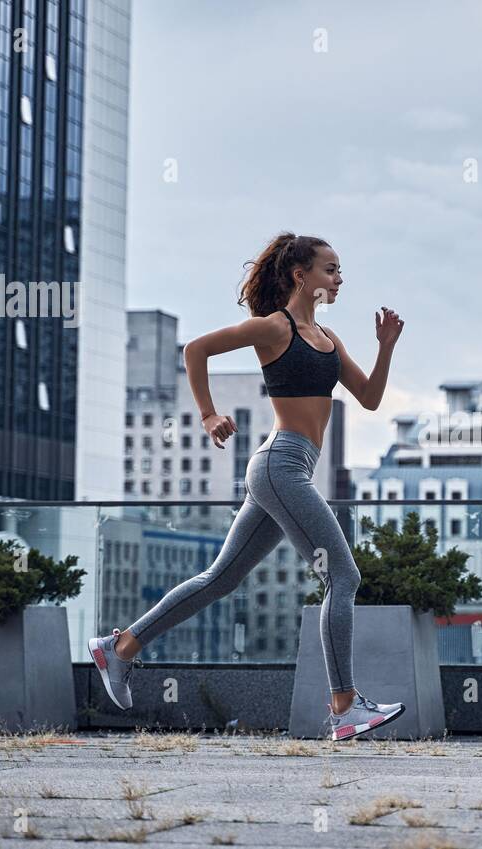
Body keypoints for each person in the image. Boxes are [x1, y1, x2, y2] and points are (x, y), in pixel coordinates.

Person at [89, 232, 407, 741]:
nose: (339, 278)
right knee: (343, 577)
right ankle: (344, 707)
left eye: (340, 270)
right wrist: (209, 413)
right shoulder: (273, 329)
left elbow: (368, 397)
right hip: (280, 466)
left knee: (221, 578)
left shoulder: (328, 340)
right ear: (301, 276)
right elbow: (196, 349)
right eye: (330, 269)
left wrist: (385, 348)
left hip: (287, 469)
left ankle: (121, 646)